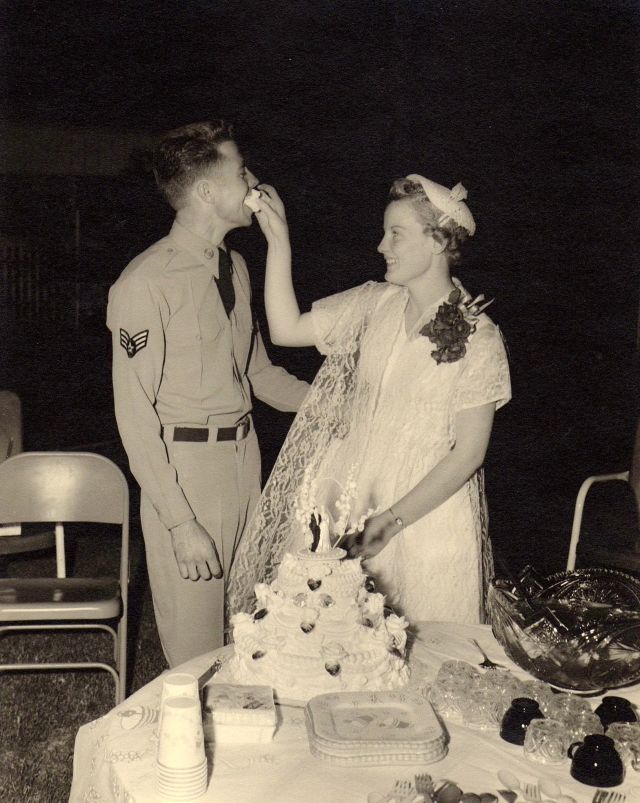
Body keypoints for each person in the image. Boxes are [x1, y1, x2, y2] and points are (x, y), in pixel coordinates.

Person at [227, 174, 510, 623]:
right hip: (350, 494)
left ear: (437, 242)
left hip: (426, 513)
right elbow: (285, 329)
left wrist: (392, 521)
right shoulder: (373, 303)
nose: (381, 245)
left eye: (395, 233)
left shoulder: (479, 336)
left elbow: (469, 452)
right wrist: (278, 241)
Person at [107, 121, 309, 667]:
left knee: (247, 633)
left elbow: (258, 373)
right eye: (241, 172)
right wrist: (180, 522)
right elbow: (134, 416)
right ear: (206, 191)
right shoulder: (145, 283)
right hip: (186, 474)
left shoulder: (237, 268)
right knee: (198, 652)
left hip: (244, 463)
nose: (254, 182)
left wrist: (332, 401)